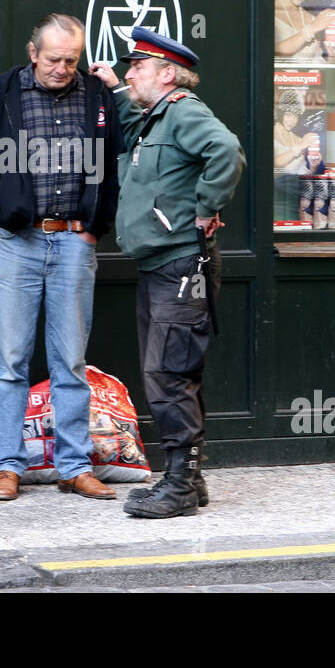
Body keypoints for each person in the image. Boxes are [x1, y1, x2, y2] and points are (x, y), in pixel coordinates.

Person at [0, 14, 125, 501]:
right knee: (10, 361)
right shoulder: (5, 91)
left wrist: (97, 226)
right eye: (53, 59)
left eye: (71, 59)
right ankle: (8, 467)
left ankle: (74, 467)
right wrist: (4, 200)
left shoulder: (95, 95)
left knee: (69, 362)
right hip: (18, 242)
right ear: (34, 53)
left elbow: (114, 162)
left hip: (75, 240)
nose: (62, 68)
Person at [90, 28, 245, 518]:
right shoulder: (157, 117)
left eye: (137, 66)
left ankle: (178, 487)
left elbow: (227, 151)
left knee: (168, 375)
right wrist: (118, 88)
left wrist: (205, 208)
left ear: (167, 73)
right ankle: (187, 482)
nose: (131, 71)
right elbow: (132, 134)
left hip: (182, 263)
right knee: (173, 373)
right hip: (162, 265)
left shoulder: (183, 112)